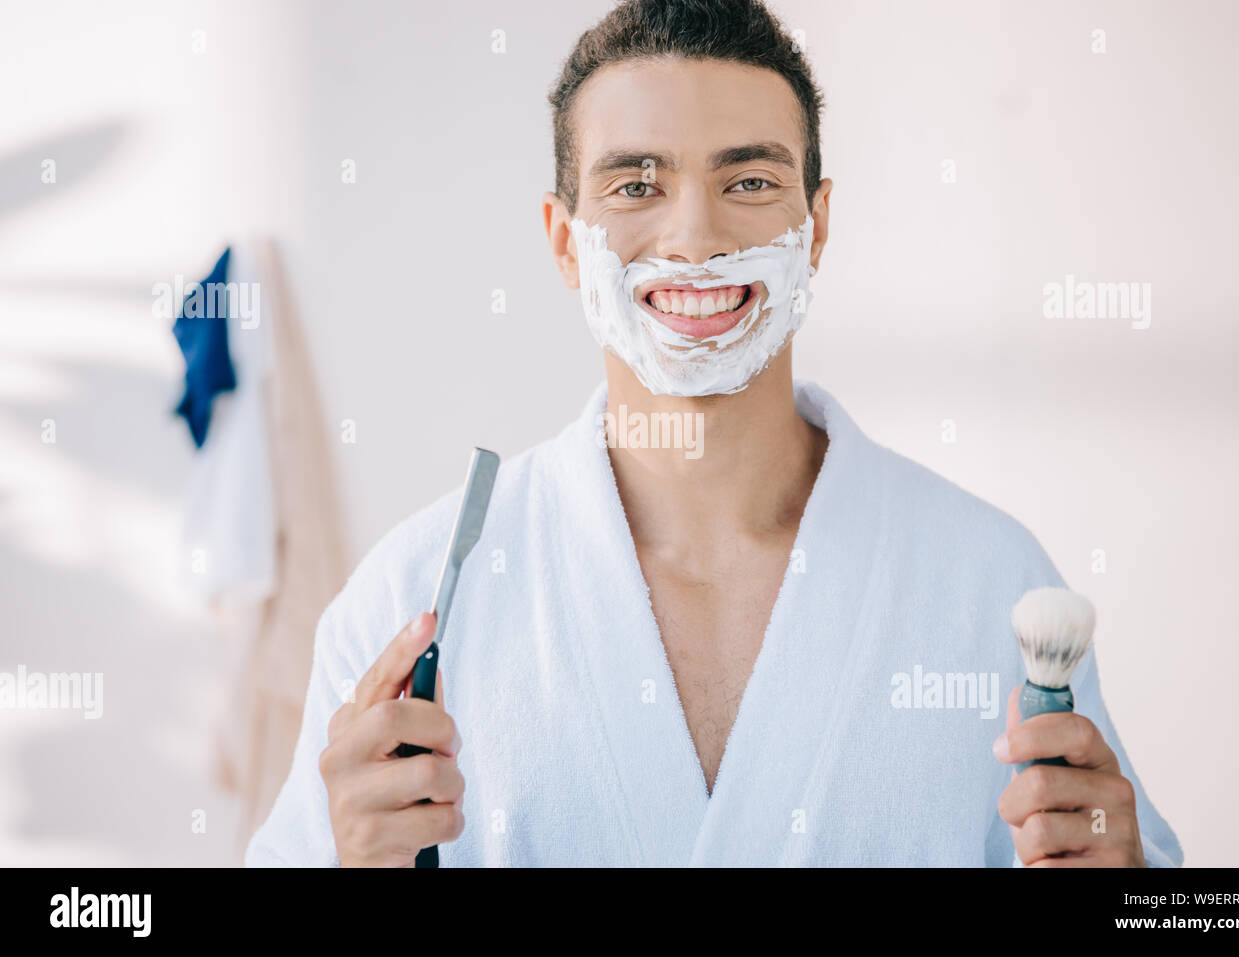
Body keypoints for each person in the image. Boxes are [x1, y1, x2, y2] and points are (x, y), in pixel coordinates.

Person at [246, 0, 1182, 867]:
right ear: (565, 241)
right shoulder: (410, 604)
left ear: (816, 226)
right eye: (636, 185)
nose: (696, 236)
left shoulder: (991, 582)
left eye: (748, 179)